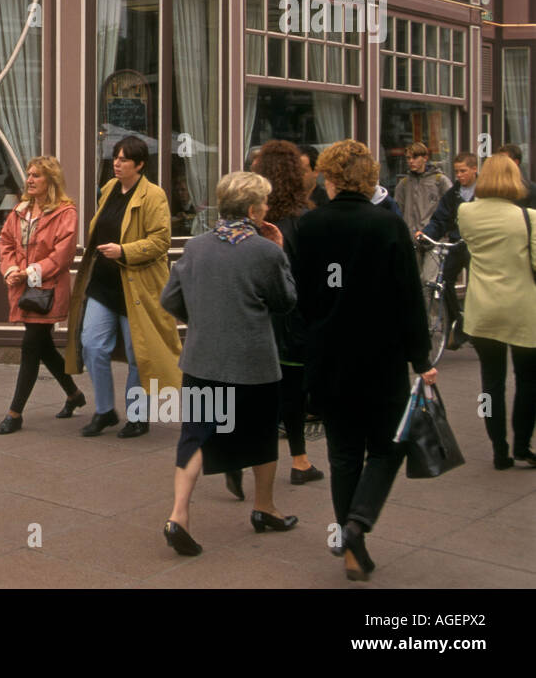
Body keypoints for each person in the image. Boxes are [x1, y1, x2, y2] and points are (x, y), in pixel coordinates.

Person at [294, 140, 437, 582]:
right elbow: (409, 298)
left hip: (329, 357)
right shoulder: (388, 226)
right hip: (382, 357)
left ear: (330, 176)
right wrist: (420, 357)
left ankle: (352, 546)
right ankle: (359, 523)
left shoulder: (310, 226)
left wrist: (306, 354)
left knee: (342, 455)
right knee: (389, 447)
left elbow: (301, 301)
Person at [158, 172, 299, 556]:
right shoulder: (266, 251)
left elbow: (169, 299)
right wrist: (279, 250)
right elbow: (286, 301)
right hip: (252, 362)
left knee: (196, 434)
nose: (267, 209)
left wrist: (204, 317)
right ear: (253, 210)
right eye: (265, 203)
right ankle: (264, 508)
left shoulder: (196, 247)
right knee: (262, 434)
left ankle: (178, 515)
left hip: (203, 359)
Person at [65, 136, 183, 439]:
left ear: (140, 164)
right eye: (115, 158)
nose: (116, 163)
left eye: (124, 159)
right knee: (92, 345)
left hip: (137, 288)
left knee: (137, 354)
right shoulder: (108, 190)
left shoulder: (153, 195)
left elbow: (161, 241)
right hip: (104, 284)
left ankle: (137, 414)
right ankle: (105, 411)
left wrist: (125, 251)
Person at [0, 156, 86, 434]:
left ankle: (15, 412)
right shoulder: (20, 210)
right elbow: (6, 242)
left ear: (51, 181)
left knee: (31, 346)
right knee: (42, 345)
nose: (30, 180)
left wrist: (29, 272)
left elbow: (62, 255)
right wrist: (10, 269)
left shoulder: (65, 212)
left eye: (37, 176)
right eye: (29, 175)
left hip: (46, 289)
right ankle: (73, 394)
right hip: (22, 288)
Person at [456, 154, 536, 469]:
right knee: (528, 380)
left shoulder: (466, 212)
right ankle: (522, 445)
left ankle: (498, 450)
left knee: (491, 384)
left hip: (483, 308)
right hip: (522, 309)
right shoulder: (529, 217)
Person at [250, 140, 322, 485]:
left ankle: (242, 457)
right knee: (292, 393)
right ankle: (300, 459)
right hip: (292, 322)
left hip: (254, 320)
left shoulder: (252, 223)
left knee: (258, 394)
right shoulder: (303, 222)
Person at [422, 152, 479, 349]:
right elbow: (440, 219)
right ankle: (458, 321)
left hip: (476, 246)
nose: (459, 175)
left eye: (463, 171)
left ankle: (474, 326)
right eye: (456, 172)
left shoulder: (484, 192)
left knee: (476, 285)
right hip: (457, 243)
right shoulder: (453, 194)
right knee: (444, 280)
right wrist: (426, 235)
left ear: (474, 169)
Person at [394, 142, 453, 283]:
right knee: (412, 281)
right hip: (411, 239)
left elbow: (451, 208)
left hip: (434, 239)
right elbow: (397, 211)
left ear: (425, 158)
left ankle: (432, 304)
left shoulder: (440, 181)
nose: (411, 161)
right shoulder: (404, 184)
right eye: (408, 158)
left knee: (429, 281)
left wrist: (446, 232)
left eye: (415, 157)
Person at [498, 143, 536, 208]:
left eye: (504, 160)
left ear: (515, 162)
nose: (499, 163)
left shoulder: (531, 190)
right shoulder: (493, 187)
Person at [299, 143, 328, 208]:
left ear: (316, 172)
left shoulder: (327, 202)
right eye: (293, 171)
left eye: (301, 171)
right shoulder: (285, 201)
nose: (296, 176)